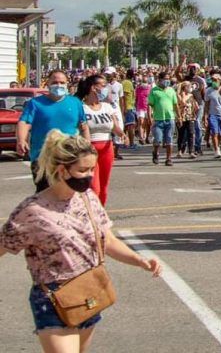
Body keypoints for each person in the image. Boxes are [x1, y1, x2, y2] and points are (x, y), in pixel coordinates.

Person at [1, 130, 162, 352]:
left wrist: (139, 260)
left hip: (89, 290)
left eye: (92, 170)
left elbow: (108, 241)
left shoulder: (88, 200)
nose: (89, 176)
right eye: (82, 170)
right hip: (53, 298)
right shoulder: (32, 211)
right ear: (62, 170)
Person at [16, 70, 89, 193]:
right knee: (45, 193)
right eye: (55, 82)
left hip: (69, 156)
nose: (59, 85)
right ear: (48, 84)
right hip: (42, 158)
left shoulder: (75, 102)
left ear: (67, 84)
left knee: (69, 192)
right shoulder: (35, 103)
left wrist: (87, 147)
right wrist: (21, 140)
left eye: (62, 82)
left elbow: (84, 126)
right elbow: (24, 122)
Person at [76, 74, 124, 206]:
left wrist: (122, 134)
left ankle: (100, 213)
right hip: (89, 149)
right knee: (94, 186)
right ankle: (90, 211)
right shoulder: (81, 107)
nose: (106, 88)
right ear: (93, 88)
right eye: (103, 86)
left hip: (107, 148)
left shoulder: (107, 107)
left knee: (103, 186)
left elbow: (115, 127)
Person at [147, 72, 178, 167]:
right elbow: (150, 105)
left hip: (170, 118)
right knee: (158, 140)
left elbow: (175, 104)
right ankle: (155, 152)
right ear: (159, 79)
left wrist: (179, 116)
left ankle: (168, 159)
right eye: (165, 78)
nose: (167, 80)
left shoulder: (171, 91)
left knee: (169, 140)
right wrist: (149, 116)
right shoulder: (154, 91)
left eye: (168, 78)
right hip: (158, 119)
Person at [205, 74, 221, 158]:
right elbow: (206, 103)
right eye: (213, 80)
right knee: (214, 132)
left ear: (220, 80)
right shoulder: (208, 90)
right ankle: (216, 149)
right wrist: (205, 115)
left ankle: (218, 145)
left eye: (216, 80)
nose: (214, 81)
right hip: (212, 114)